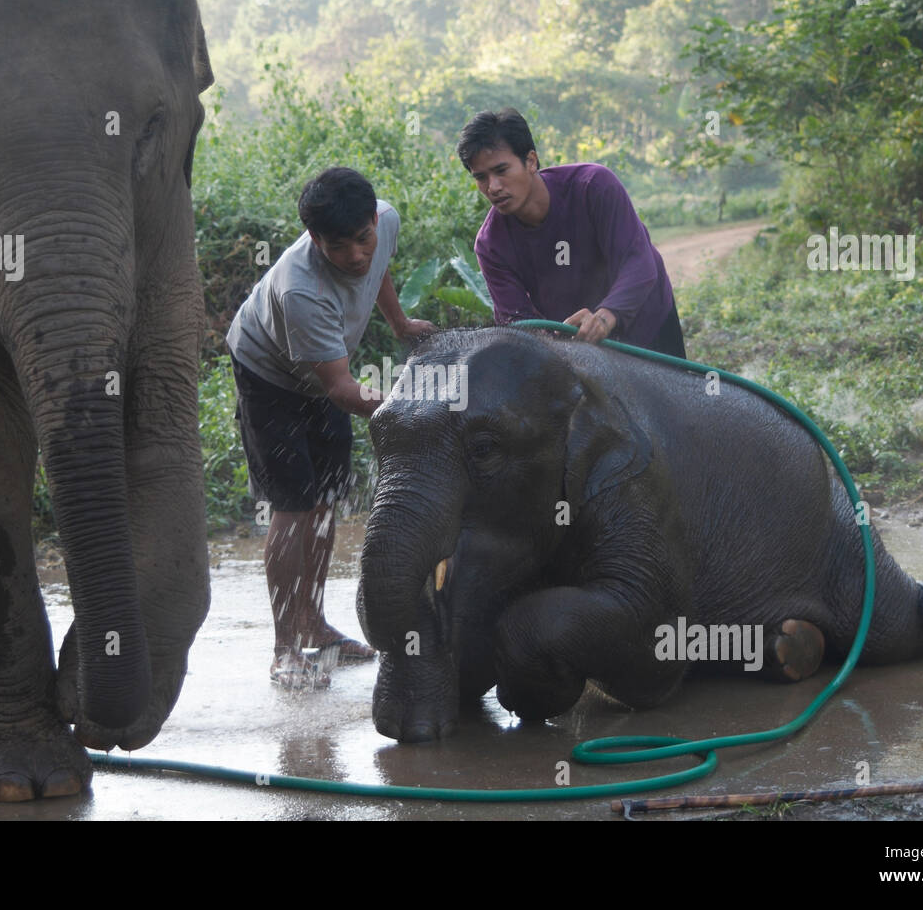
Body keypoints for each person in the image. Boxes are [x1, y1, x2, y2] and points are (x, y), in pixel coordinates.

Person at [226, 167, 435, 689]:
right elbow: (341, 389)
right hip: (270, 374)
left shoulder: (382, 221)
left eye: (363, 239)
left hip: (323, 367)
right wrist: (413, 408)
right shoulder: (302, 289)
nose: (358, 255)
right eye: (340, 247)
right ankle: (285, 647)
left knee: (326, 500)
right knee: (294, 506)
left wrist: (400, 323)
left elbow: (378, 266)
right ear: (315, 240)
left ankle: (314, 622)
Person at [456, 108, 686, 357]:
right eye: (481, 177)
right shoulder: (491, 245)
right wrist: (552, 344)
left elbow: (639, 262)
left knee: (671, 395)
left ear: (531, 161)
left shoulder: (593, 186)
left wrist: (605, 318)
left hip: (645, 321)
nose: (494, 187)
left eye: (501, 170)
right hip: (578, 350)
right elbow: (518, 322)